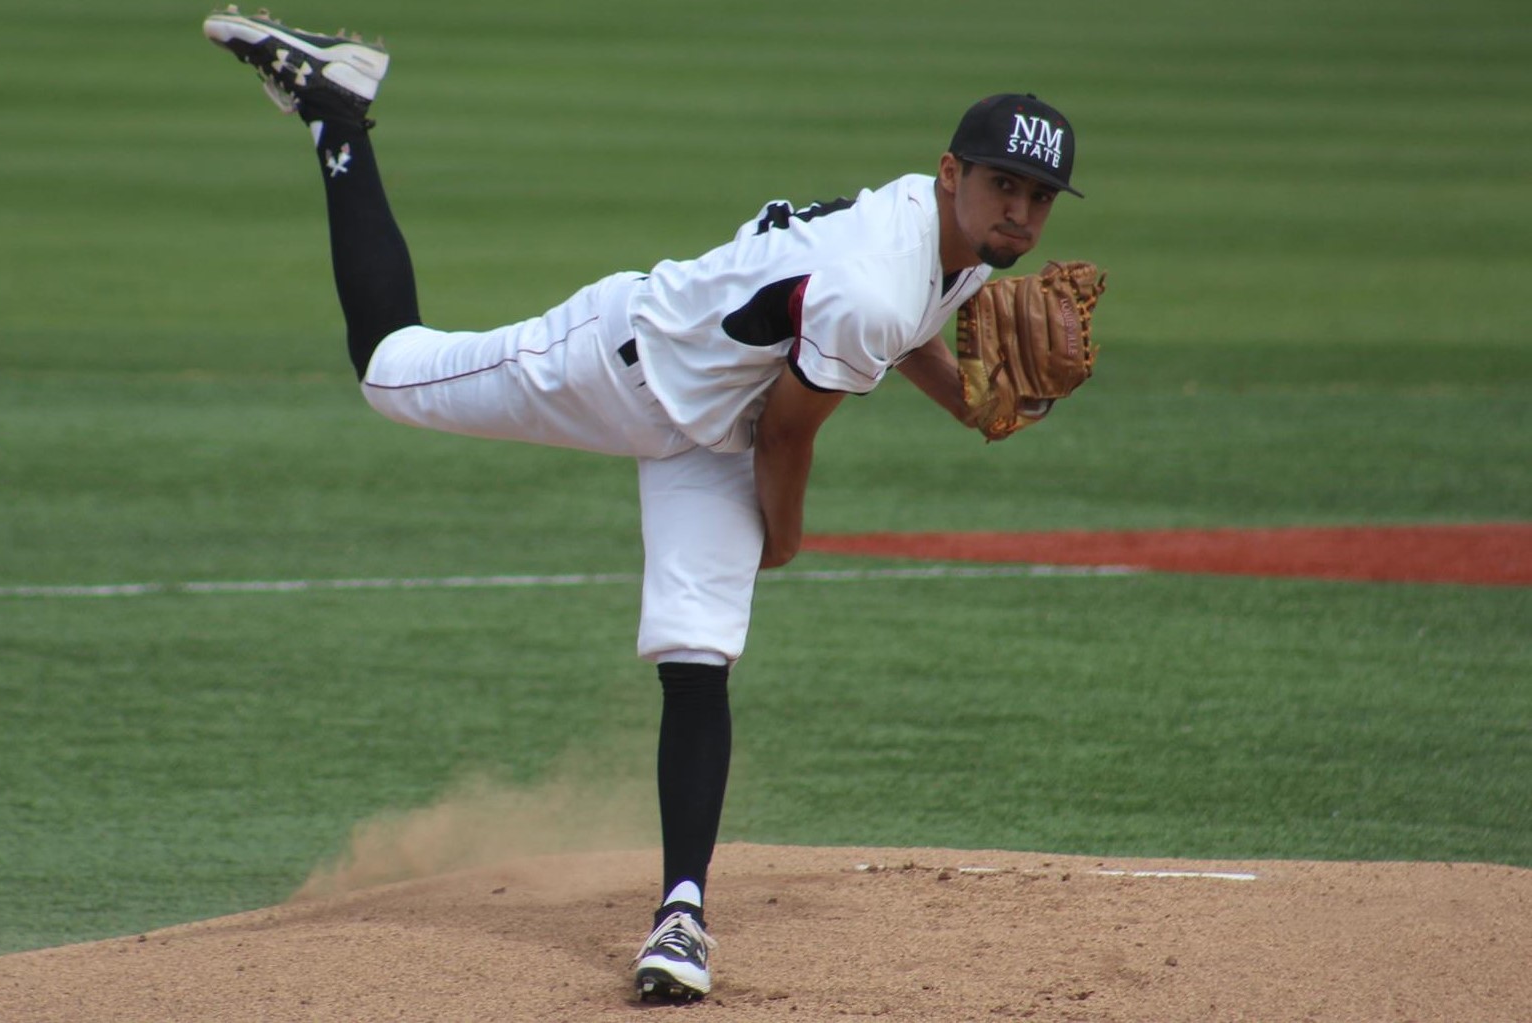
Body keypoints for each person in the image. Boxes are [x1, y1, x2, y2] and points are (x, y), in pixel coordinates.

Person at [201, 6, 1083, 1002]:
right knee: (388, 372)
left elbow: (910, 329)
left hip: (717, 426)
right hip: (616, 367)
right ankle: (336, 115)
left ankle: (681, 917)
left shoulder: (943, 243)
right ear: (950, 174)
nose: (1018, 211)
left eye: (1038, 197)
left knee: (698, 657)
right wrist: (783, 541)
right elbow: (794, 431)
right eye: (1001, 184)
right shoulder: (874, 281)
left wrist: (969, 406)